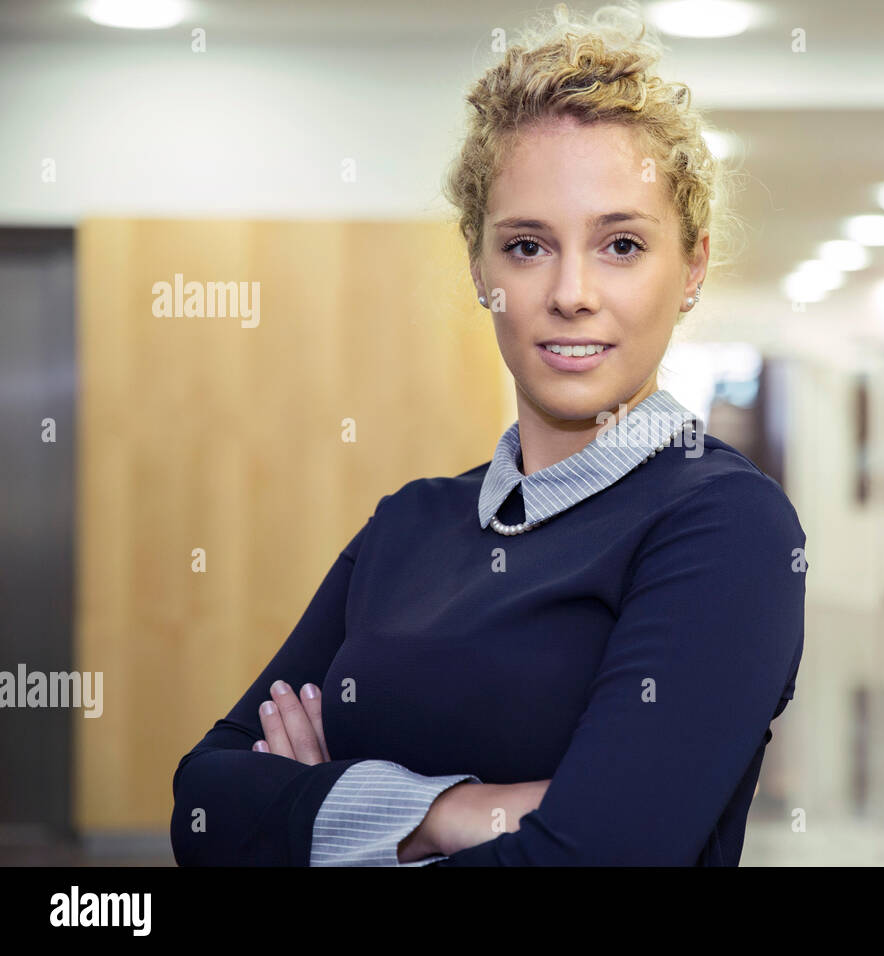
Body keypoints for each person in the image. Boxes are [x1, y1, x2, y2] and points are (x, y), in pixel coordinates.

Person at [169, 0, 808, 867]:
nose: (572, 291)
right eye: (527, 246)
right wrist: (456, 813)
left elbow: (600, 855)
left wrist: (324, 815)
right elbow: (206, 801)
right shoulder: (409, 525)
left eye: (621, 244)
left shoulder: (726, 526)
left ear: (691, 267)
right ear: (479, 267)